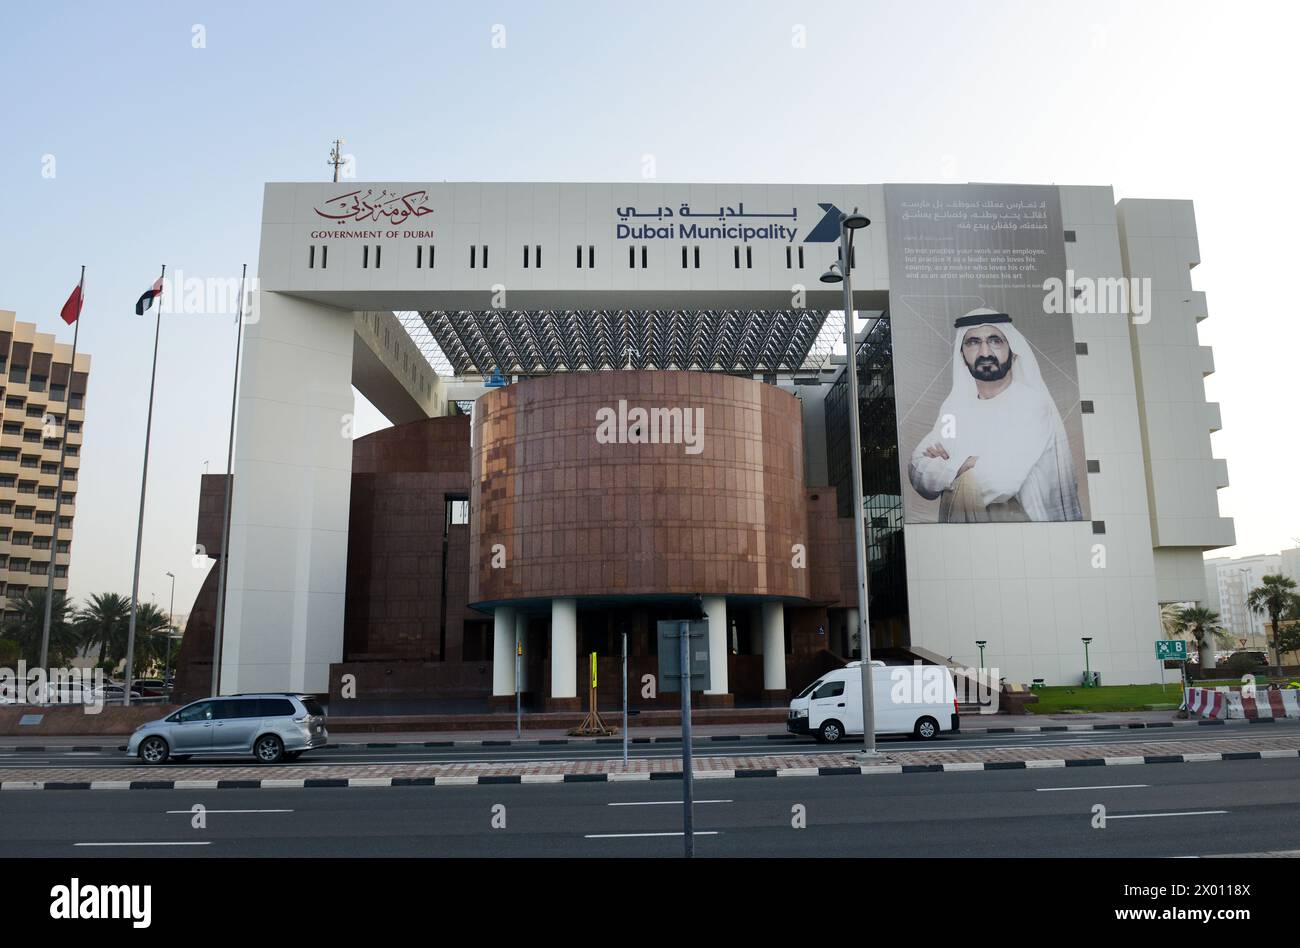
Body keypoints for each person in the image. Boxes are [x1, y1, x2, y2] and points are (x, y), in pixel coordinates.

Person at [908, 308, 1082, 522]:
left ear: (1013, 350)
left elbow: (1000, 480)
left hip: (1022, 529)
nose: (985, 353)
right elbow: (917, 468)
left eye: (995, 341)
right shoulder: (954, 410)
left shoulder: (1030, 405)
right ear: (962, 354)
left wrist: (948, 466)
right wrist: (966, 464)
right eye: (973, 342)